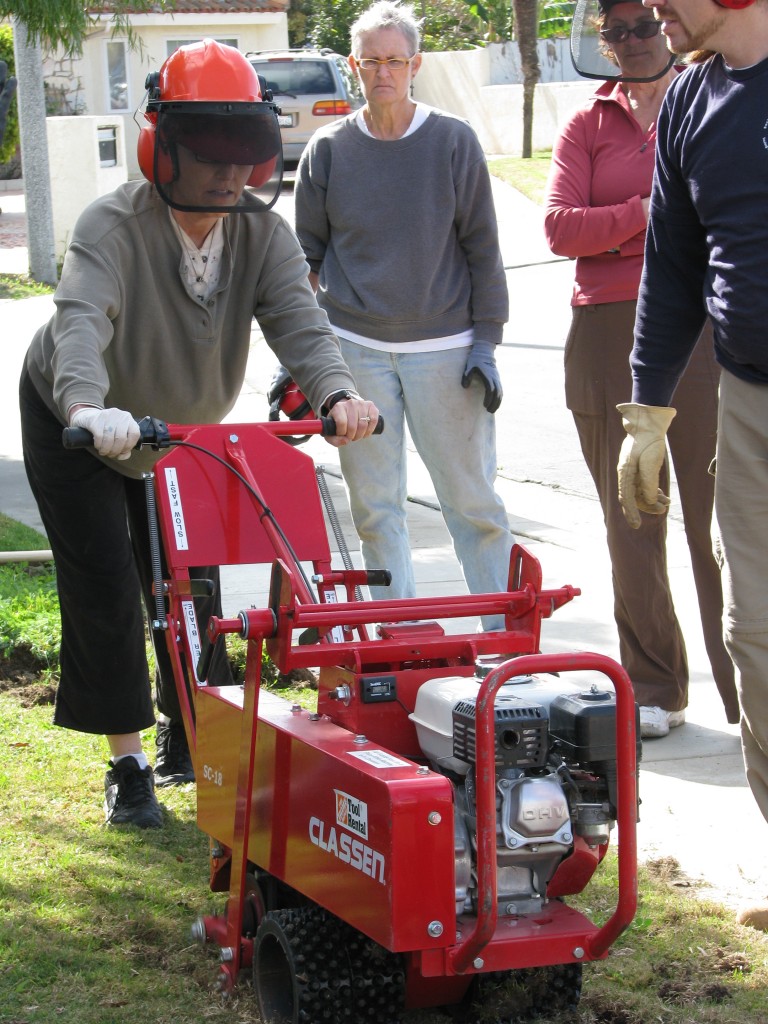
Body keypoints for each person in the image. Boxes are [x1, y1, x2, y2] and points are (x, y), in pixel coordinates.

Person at [19, 39, 379, 830]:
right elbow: (79, 322)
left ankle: (194, 737)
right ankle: (129, 764)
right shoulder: (112, 226)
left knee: (195, 587)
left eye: (240, 152)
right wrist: (84, 408)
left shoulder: (261, 235)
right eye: (206, 151)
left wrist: (339, 391)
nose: (226, 172)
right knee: (110, 584)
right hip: (79, 424)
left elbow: (303, 327)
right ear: (161, 146)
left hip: (178, 430)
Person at [544, 0, 738, 738]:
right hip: (602, 335)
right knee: (633, 521)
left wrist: (618, 223)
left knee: (721, 525)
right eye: (614, 32)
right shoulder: (586, 123)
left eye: (642, 27)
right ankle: (656, 688)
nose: (628, 42)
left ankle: (746, 688)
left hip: (702, 335)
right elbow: (562, 227)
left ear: (668, 26)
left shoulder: (712, 97)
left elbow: (721, 217)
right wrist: (653, 210)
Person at [616, 0, 768, 928]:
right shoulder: (689, 100)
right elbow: (671, 265)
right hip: (748, 401)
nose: (654, 7)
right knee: (755, 640)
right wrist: (647, 407)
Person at [293, 0, 513, 630]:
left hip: (446, 349)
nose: (383, 72)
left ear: (415, 64)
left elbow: (482, 250)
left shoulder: (452, 141)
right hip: (356, 348)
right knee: (376, 509)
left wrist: (487, 347)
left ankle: (504, 644)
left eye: (395, 60)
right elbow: (302, 260)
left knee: (472, 503)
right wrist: (305, 363)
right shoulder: (329, 150)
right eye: (371, 61)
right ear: (353, 66)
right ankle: (397, 636)